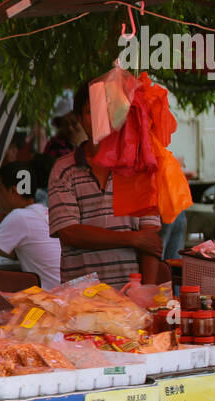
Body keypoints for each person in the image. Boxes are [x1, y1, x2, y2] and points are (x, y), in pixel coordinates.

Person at [47, 82, 163, 287]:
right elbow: (70, 233)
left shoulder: (139, 168)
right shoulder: (63, 170)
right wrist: (132, 239)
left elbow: (150, 240)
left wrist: (148, 295)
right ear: (81, 119)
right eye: (91, 112)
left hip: (129, 298)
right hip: (79, 299)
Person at [0, 161, 62, 287]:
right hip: (66, 293)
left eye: (0, 191)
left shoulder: (20, 217)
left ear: (13, 191)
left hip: (51, 297)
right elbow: (18, 253)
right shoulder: (43, 211)